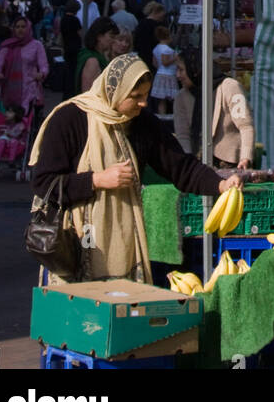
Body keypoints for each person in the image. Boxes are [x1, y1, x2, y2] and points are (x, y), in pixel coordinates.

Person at [30, 53, 241, 283]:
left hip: (123, 237)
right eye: (135, 96)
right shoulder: (70, 118)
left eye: (146, 95)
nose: (143, 103)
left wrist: (220, 183)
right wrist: (97, 180)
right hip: (79, 237)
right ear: (115, 91)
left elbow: (181, 167)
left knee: (121, 302)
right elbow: (44, 182)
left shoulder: (141, 123)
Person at [174, 48, 255, 170]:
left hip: (232, 163)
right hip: (198, 162)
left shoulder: (230, 87)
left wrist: (246, 157)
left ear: (195, 70)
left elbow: (246, 126)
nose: (177, 75)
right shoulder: (181, 97)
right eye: (177, 70)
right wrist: (188, 160)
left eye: (181, 70)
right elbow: (182, 135)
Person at [0, 16, 49, 116]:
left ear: (28, 28)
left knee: (26, 122)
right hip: (10, 89)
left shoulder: (36, 45)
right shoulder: (8, 46)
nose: (20, 29)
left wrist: (42, 74)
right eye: (17, 27)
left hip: (30, 89)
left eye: (23, 26)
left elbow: (44, 65)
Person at [74, 17, 117, 95]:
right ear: (99, 36)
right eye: (111, 37)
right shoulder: (92, 61)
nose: (113, 40)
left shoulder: (100, 56)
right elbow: (87, 93)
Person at [59, 0, 83, 102]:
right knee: (74, 72)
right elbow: (80, 33)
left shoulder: (63, 19)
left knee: (68, 70)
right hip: (75, 48)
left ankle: (66, 92)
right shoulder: (75, 20)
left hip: (67, 47)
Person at [150, 27, 178, 116]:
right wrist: (175, 58)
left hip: (160, 74)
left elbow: (154, 63)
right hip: (169, 75)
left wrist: (160, 69)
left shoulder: (156, 48)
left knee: (162, 99)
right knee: (174, 97)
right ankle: (176, 114)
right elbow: (165, 62)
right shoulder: (166, 49)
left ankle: (162, 115)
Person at [134, 1, 166, 66]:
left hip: (141, 56)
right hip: (153, 58)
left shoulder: (141, 23)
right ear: (157, 12)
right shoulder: (156, 26)